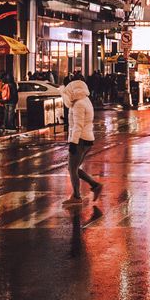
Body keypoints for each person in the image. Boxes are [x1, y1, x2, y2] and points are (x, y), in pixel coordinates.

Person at [61, 78, 102, 208]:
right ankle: (95, 185)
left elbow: (78, 125)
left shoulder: (78, 104)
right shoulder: (86, 100)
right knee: (75, 168)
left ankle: (77, 196)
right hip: (87, 139)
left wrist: (73, 142)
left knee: (72, 169)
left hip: (80, 140)